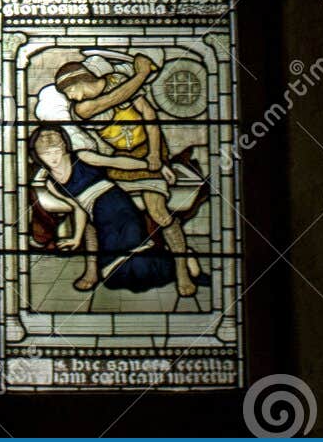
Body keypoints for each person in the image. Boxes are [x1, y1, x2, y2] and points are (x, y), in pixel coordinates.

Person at [54, 56, 199, 298]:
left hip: (148, 150)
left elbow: (150, 118)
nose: (69, 97)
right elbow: (114, 99)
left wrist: (155, 156)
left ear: (79, 81)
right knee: (95, 212)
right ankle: (92, 269)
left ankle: (182, 268)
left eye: (68, 90)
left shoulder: (119, 81)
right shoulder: (81, 109)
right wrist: (140, 75)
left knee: (159, 213)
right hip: (122, 158)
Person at [30, 126, 176, 296]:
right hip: (100, 218)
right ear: (38, 156)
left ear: (64, 147)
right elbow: (79, 208)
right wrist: (76, 239)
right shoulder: (51, 183)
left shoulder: (81, 157)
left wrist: (153, 166)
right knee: (111, 277)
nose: (53, 157)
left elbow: (116, 162)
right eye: (46, 154)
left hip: (118, 205)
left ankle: (176, 264)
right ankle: (169, 263)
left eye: (56, 151)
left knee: (134, 264)